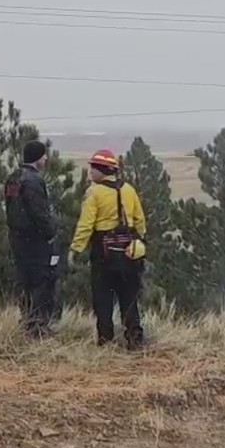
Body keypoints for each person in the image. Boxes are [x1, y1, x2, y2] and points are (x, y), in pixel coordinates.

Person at [70, 149, 148, 348]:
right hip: (130, 251)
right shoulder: (129, 190)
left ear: (102, 170)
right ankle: (135, 338)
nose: (90, 173)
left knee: (103, 296)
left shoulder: (94, 192)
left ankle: (105, 340)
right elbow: (140, 221)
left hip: (103, 251)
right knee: (129, 295)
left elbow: (86, 225)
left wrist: (76, 249)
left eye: (92, 169)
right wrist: (139, 241)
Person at [4, 139, 58, 337]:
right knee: (42, 281)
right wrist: (50, 232)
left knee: (24, 281)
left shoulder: (14, 178)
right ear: (38, 157)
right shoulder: (34, 181)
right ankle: (38, 326)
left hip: (18, 239)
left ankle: (27, 320)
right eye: (44, 155)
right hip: (36, 241)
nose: (46, 159)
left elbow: (10, 209)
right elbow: (39, 213)